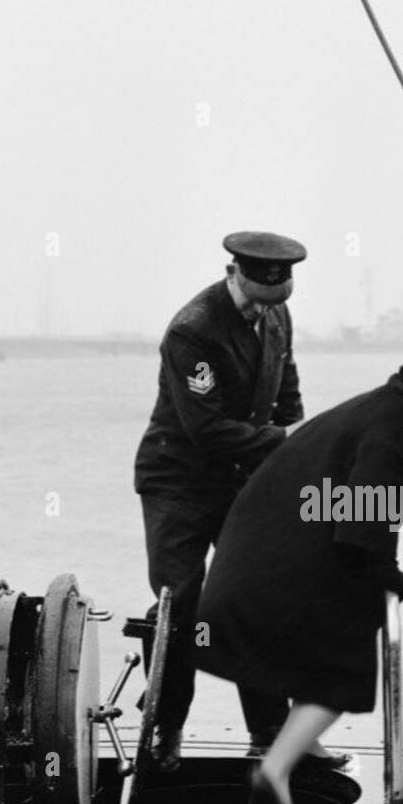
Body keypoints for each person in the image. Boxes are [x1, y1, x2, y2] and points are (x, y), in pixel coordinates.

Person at [196, 340, 403, 804]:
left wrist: (379, 570)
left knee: (323, 646)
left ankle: (299, 747)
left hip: (253, 567)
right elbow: (366, 521)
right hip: (275, 573)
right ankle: (277, 767)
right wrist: (389, 578)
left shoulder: (383, 406)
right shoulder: (397, 425)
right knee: (344, 665)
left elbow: (348, 505)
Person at [133, 231, 308, 770]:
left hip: (241, 478)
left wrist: (295, 441)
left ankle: (270, 733)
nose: (263, 308)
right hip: (178, 480)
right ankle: (166, 729)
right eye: (256, 297)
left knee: (252, 598)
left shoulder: (276, 316)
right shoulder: (194, 330)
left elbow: (287, 392)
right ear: (233, 272)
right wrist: (284, 443)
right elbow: (206, 429)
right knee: (179, 603)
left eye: (274, 298)